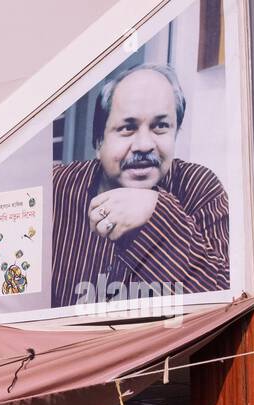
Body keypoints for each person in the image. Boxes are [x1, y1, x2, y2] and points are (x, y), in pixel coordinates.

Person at [51, 64, 229, 307]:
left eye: (160, 126)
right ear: (99, 141)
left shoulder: (199, 189)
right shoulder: (56, 189)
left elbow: (225, 303)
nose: (144, 145)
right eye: (127, 128)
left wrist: (158, 215)